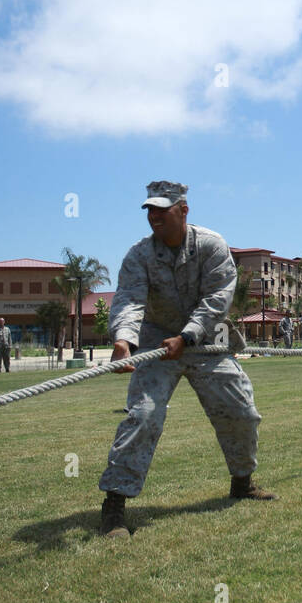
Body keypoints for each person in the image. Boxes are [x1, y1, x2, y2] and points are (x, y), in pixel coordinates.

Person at [98, 180, 275, 539]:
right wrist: (123, 340)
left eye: (163, 209)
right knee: (143, 415)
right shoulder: (139, 255)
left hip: (206, 341)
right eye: (150, 210)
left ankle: (242, 483)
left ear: (183, 210)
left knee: (241, 411)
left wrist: (188, 335)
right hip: (157, 343)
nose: (155, 217)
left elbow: (217, 298)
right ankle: (114, 505)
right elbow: (129, 299)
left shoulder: (211, 246)